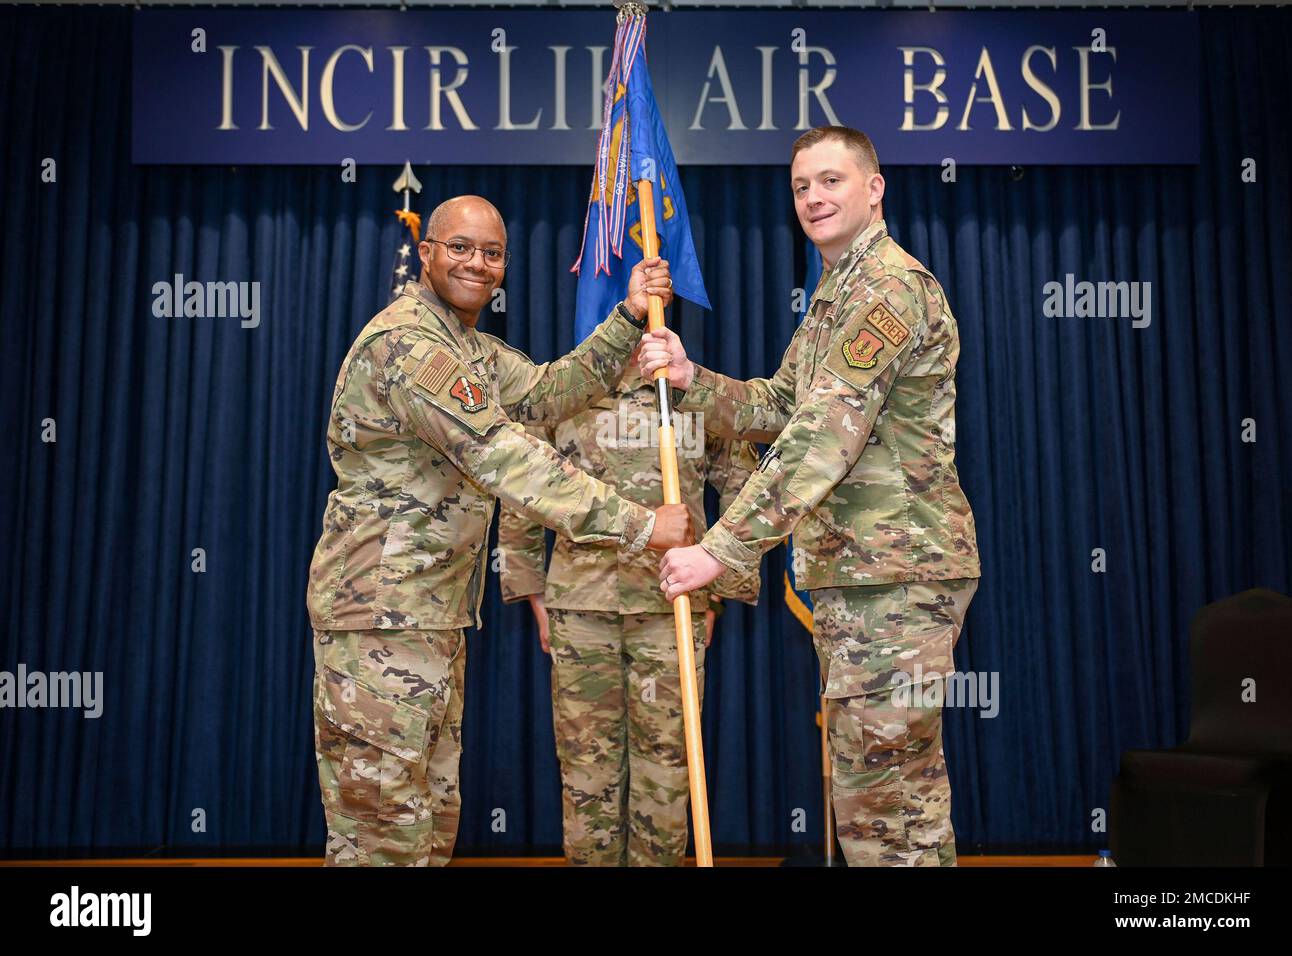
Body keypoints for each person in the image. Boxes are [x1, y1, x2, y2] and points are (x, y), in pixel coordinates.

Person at [306, 195, 693, 866]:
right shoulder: (410, 345)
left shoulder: (468, 349)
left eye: (491, 253)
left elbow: (550, 392)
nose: (476, 264)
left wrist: (629, 316)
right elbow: (505, 457)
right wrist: (640, 525)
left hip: (430, 617)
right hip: (379, 620)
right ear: (424, 253)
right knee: (381, 828)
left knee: (426, 820)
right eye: (459, 247)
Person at [640, 127, 981, 867]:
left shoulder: (888, 288)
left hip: (895, 577)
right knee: (887, 802)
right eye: (801, 187)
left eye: (831, 181)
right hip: (861, 577)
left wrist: (719, 550)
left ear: (874, 187)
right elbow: (777, 407)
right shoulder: (837, 290)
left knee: (887, 807)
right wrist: (693, 380)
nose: (814, 199)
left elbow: (823, 438)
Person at [496, 348, 760, 866]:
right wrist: (535, 597)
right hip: (581, 607)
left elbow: (740, 487)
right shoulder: (565, 396)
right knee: (586, 772)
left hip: (671, 607)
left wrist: (720, 590)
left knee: (666, 770)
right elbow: (521, 496)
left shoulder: (687, 394)